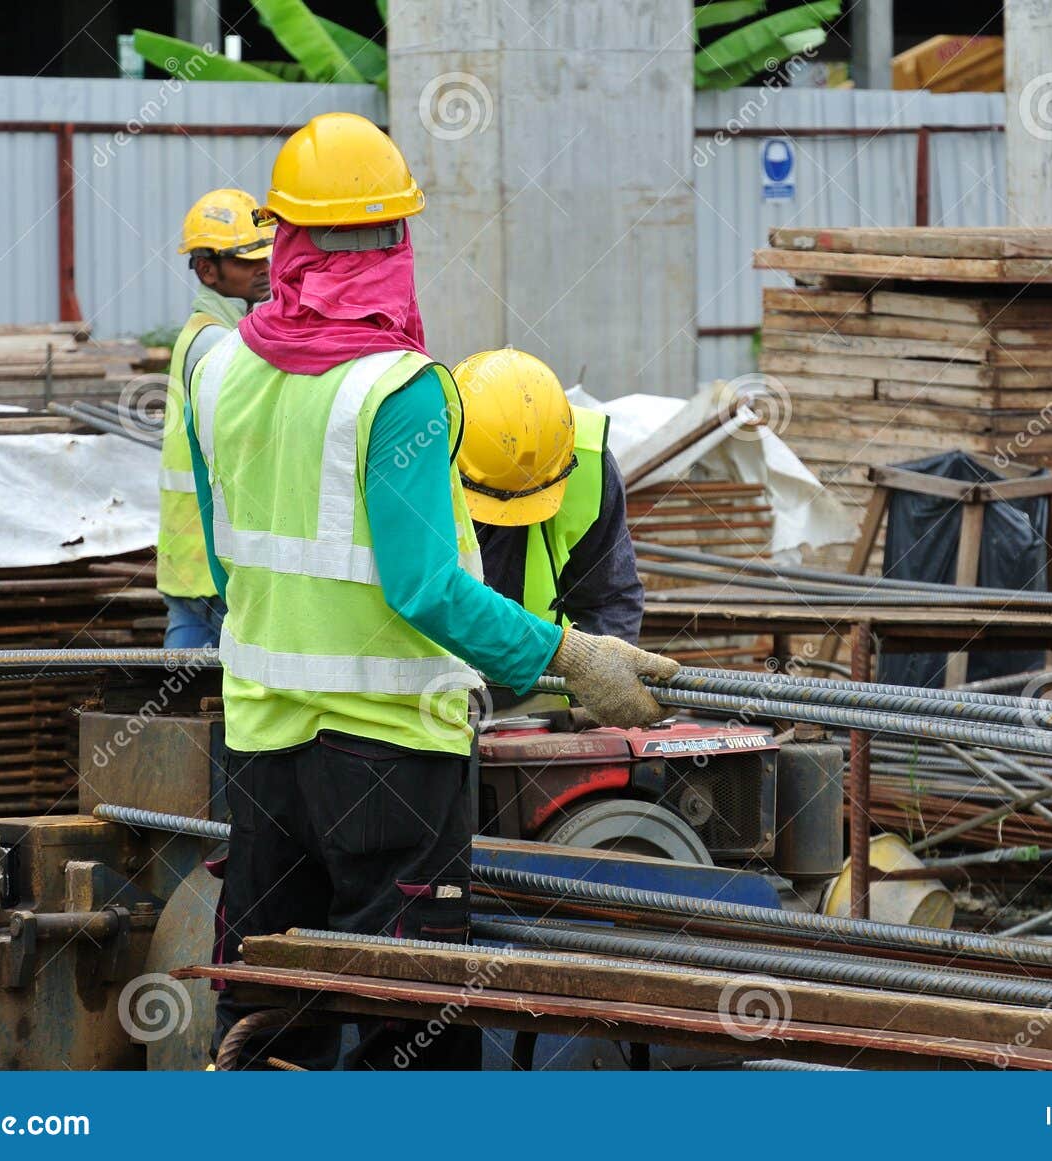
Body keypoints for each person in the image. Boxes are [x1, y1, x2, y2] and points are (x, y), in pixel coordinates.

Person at [184, 112, 680, 1070]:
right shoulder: (398, 387)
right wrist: (572, 655)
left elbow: (221, 559)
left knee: (269, 1022)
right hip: (391, 765)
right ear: (399, 238)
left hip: (260, 752)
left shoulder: (216, 368)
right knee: (406, 1032)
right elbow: (422, 588)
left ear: (280, 235)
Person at [455, 348, 644, 644]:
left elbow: (607, 599)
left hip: (546, 680)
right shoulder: (418, 453)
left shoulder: (590, 463)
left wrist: (596, 670)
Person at [157, 188, 273, 648]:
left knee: (180, 695)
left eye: (267, 255)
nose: (264, 268)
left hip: (190, 554)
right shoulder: (216, 346)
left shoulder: (209, 334)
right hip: (213, 553)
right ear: (208, 269)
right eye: (248, 260)